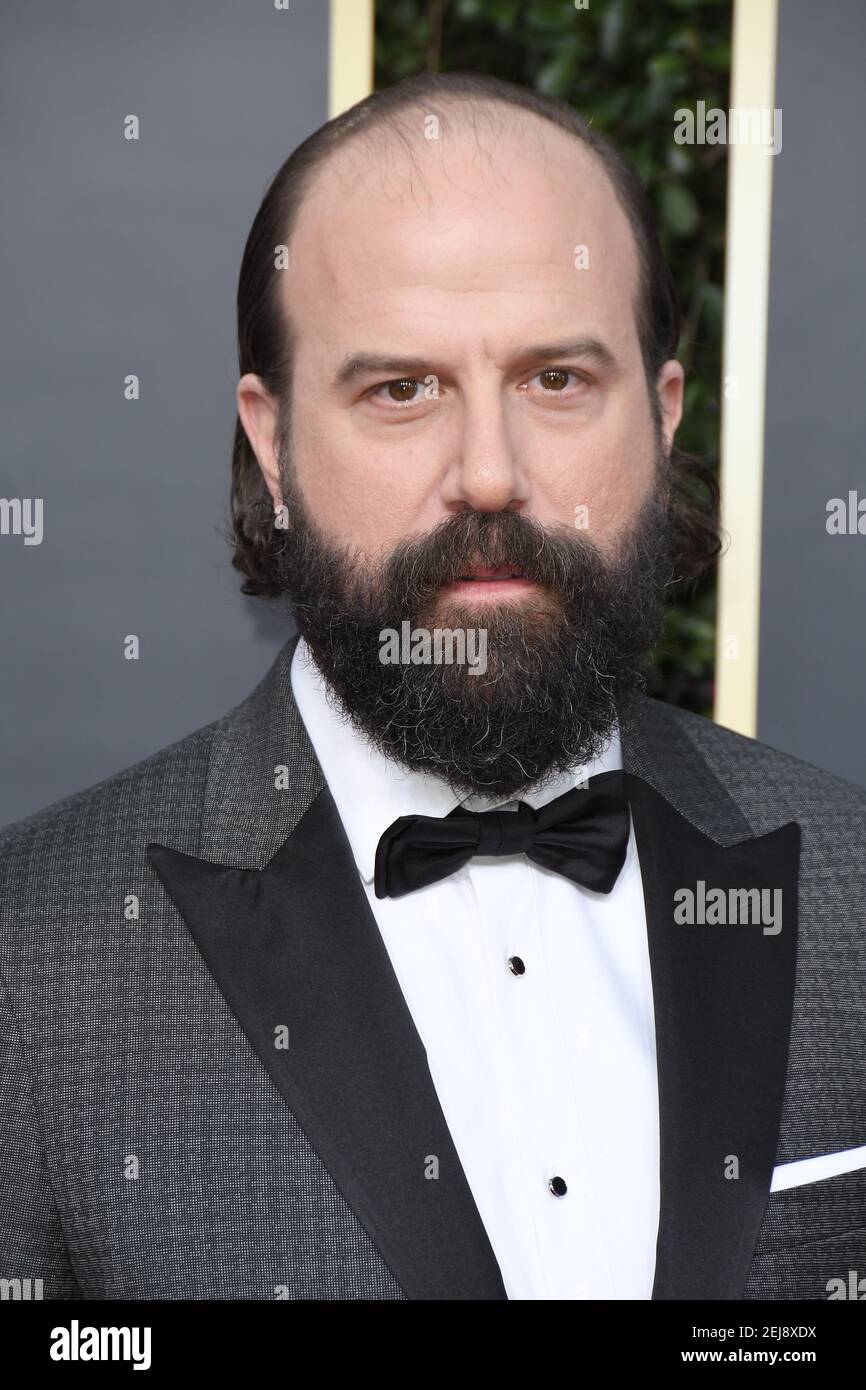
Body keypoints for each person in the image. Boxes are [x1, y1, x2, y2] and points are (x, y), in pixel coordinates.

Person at [1, 72, 864, 1303]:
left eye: (555, 379)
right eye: (400, 389)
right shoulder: (30, 962)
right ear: (272, 443)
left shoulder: (850, 885)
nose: (489, 473)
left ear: (662, 417)